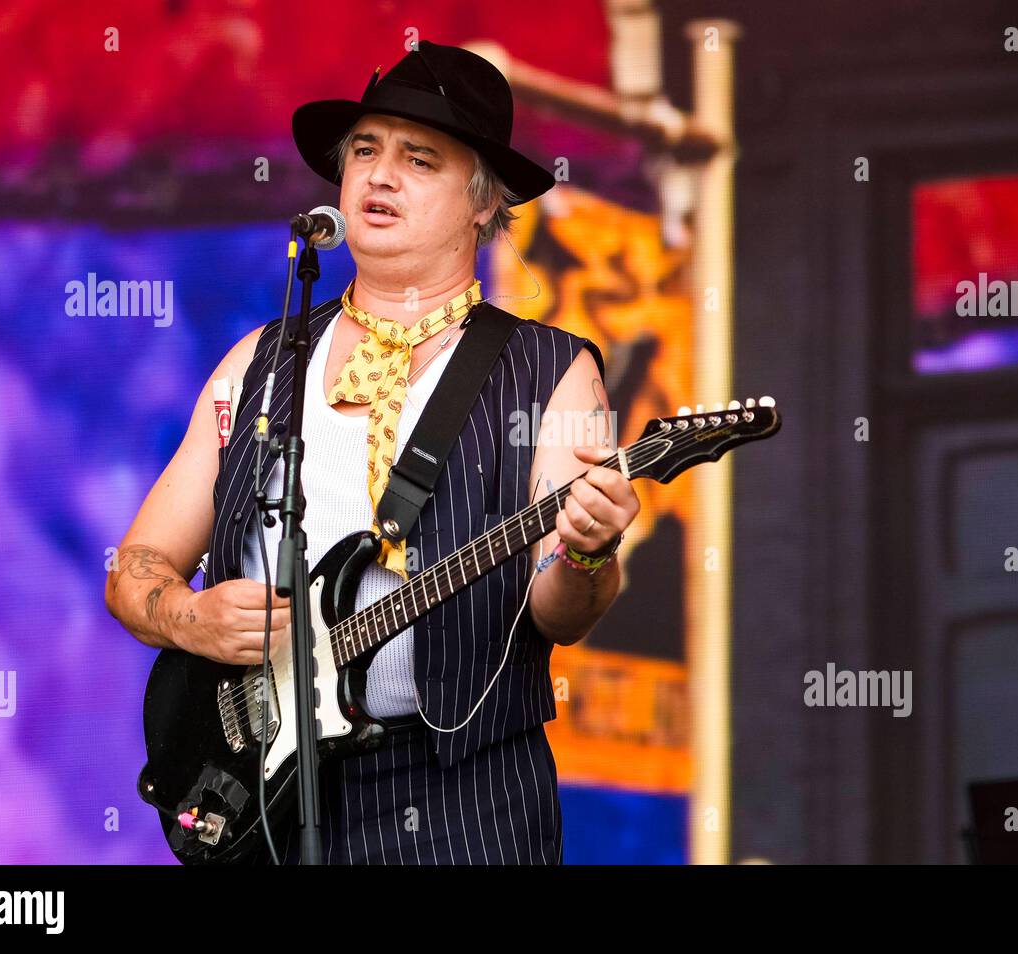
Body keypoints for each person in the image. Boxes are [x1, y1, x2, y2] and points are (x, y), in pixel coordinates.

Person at [105, 39, 640, 864]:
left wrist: (591, 555)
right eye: (364, 151)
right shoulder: (256, 362)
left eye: (418, 159)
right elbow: (135, 565)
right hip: (261, 793)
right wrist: (191, 618)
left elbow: (558, 613)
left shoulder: (551, 371)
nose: (378, 175)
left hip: (465, 800)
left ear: (482, 203)